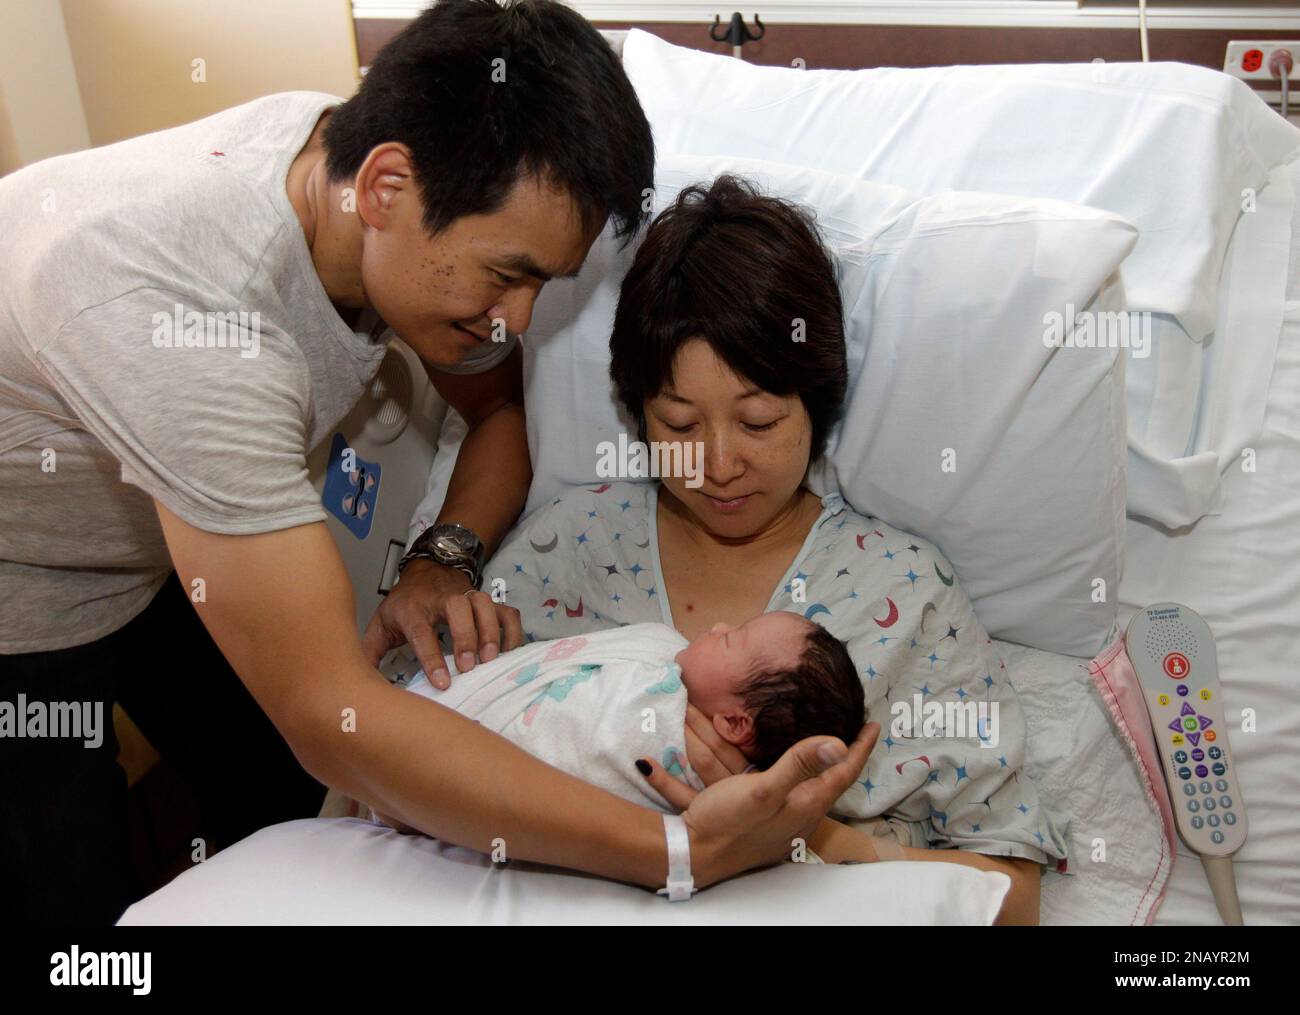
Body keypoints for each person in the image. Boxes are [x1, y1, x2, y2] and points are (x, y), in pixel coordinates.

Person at [0, 0, 873, 924]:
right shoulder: (183, 323)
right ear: (384, 190)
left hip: (147, 549)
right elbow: (334, 718)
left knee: (288, 810)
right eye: (507, 274)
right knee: (71, 910)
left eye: (543, 281)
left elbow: (496, 405)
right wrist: (677, 851)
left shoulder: (352, 161)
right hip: (18, 596)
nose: (521, 321)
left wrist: (439, 557)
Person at [471, 175, 1068, 923]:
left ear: (816, 404)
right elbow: (406, 756)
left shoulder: (906, 595)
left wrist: (805, 837)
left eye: (757, 422)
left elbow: (1012, 895)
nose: (718, 465)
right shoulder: (570, 547)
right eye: (680, 425)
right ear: (636, 413)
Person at [374, 612, 864, 833]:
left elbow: (572, 747)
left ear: (735, 724)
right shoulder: (661, 654)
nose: (717, 627)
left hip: (413, 761)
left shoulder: (661, 736)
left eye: (732, 639)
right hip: (402, 728)